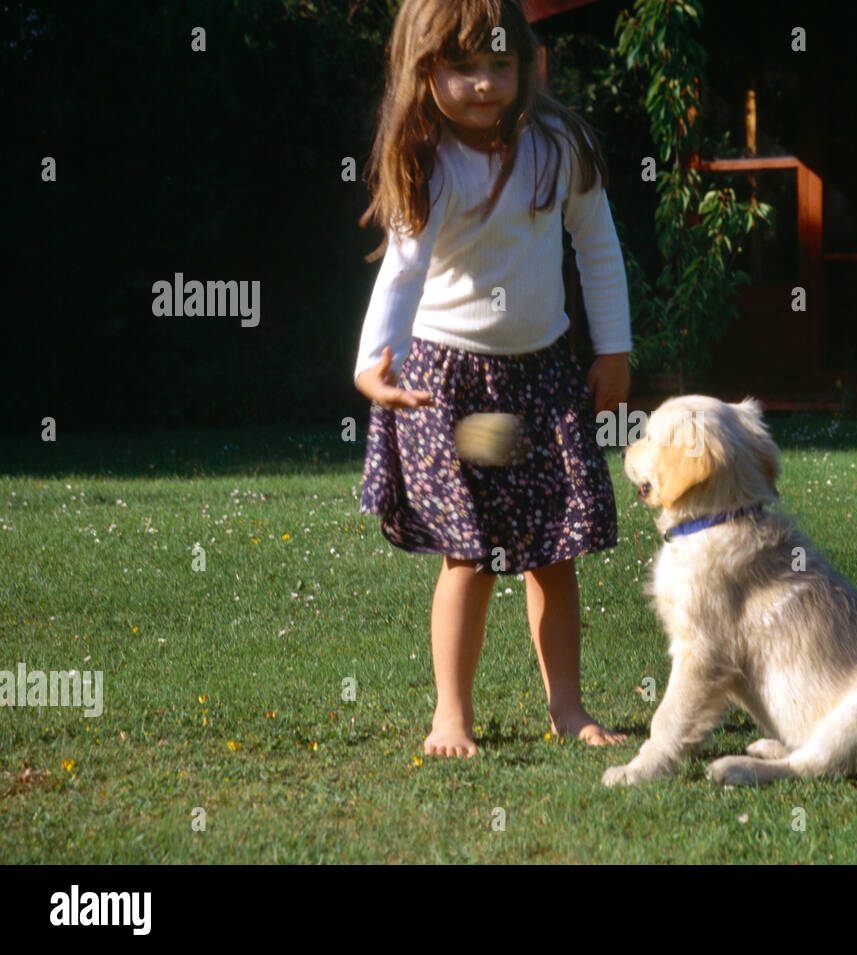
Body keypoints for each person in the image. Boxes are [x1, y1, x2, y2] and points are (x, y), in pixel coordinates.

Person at [353, 0, 631, 757]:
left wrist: (614, 350)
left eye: (500, 65)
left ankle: (568, 707)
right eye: (464, 67)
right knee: (468, 555)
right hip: (446, 381)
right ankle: (451, 715)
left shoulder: (558, 145)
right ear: (426, 70)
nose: (484, 83)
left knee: (554, 549)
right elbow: (404, 269)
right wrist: (372, 361)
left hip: (544, 372)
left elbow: (596, 245)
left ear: (529, 65)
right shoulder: (427, 156)